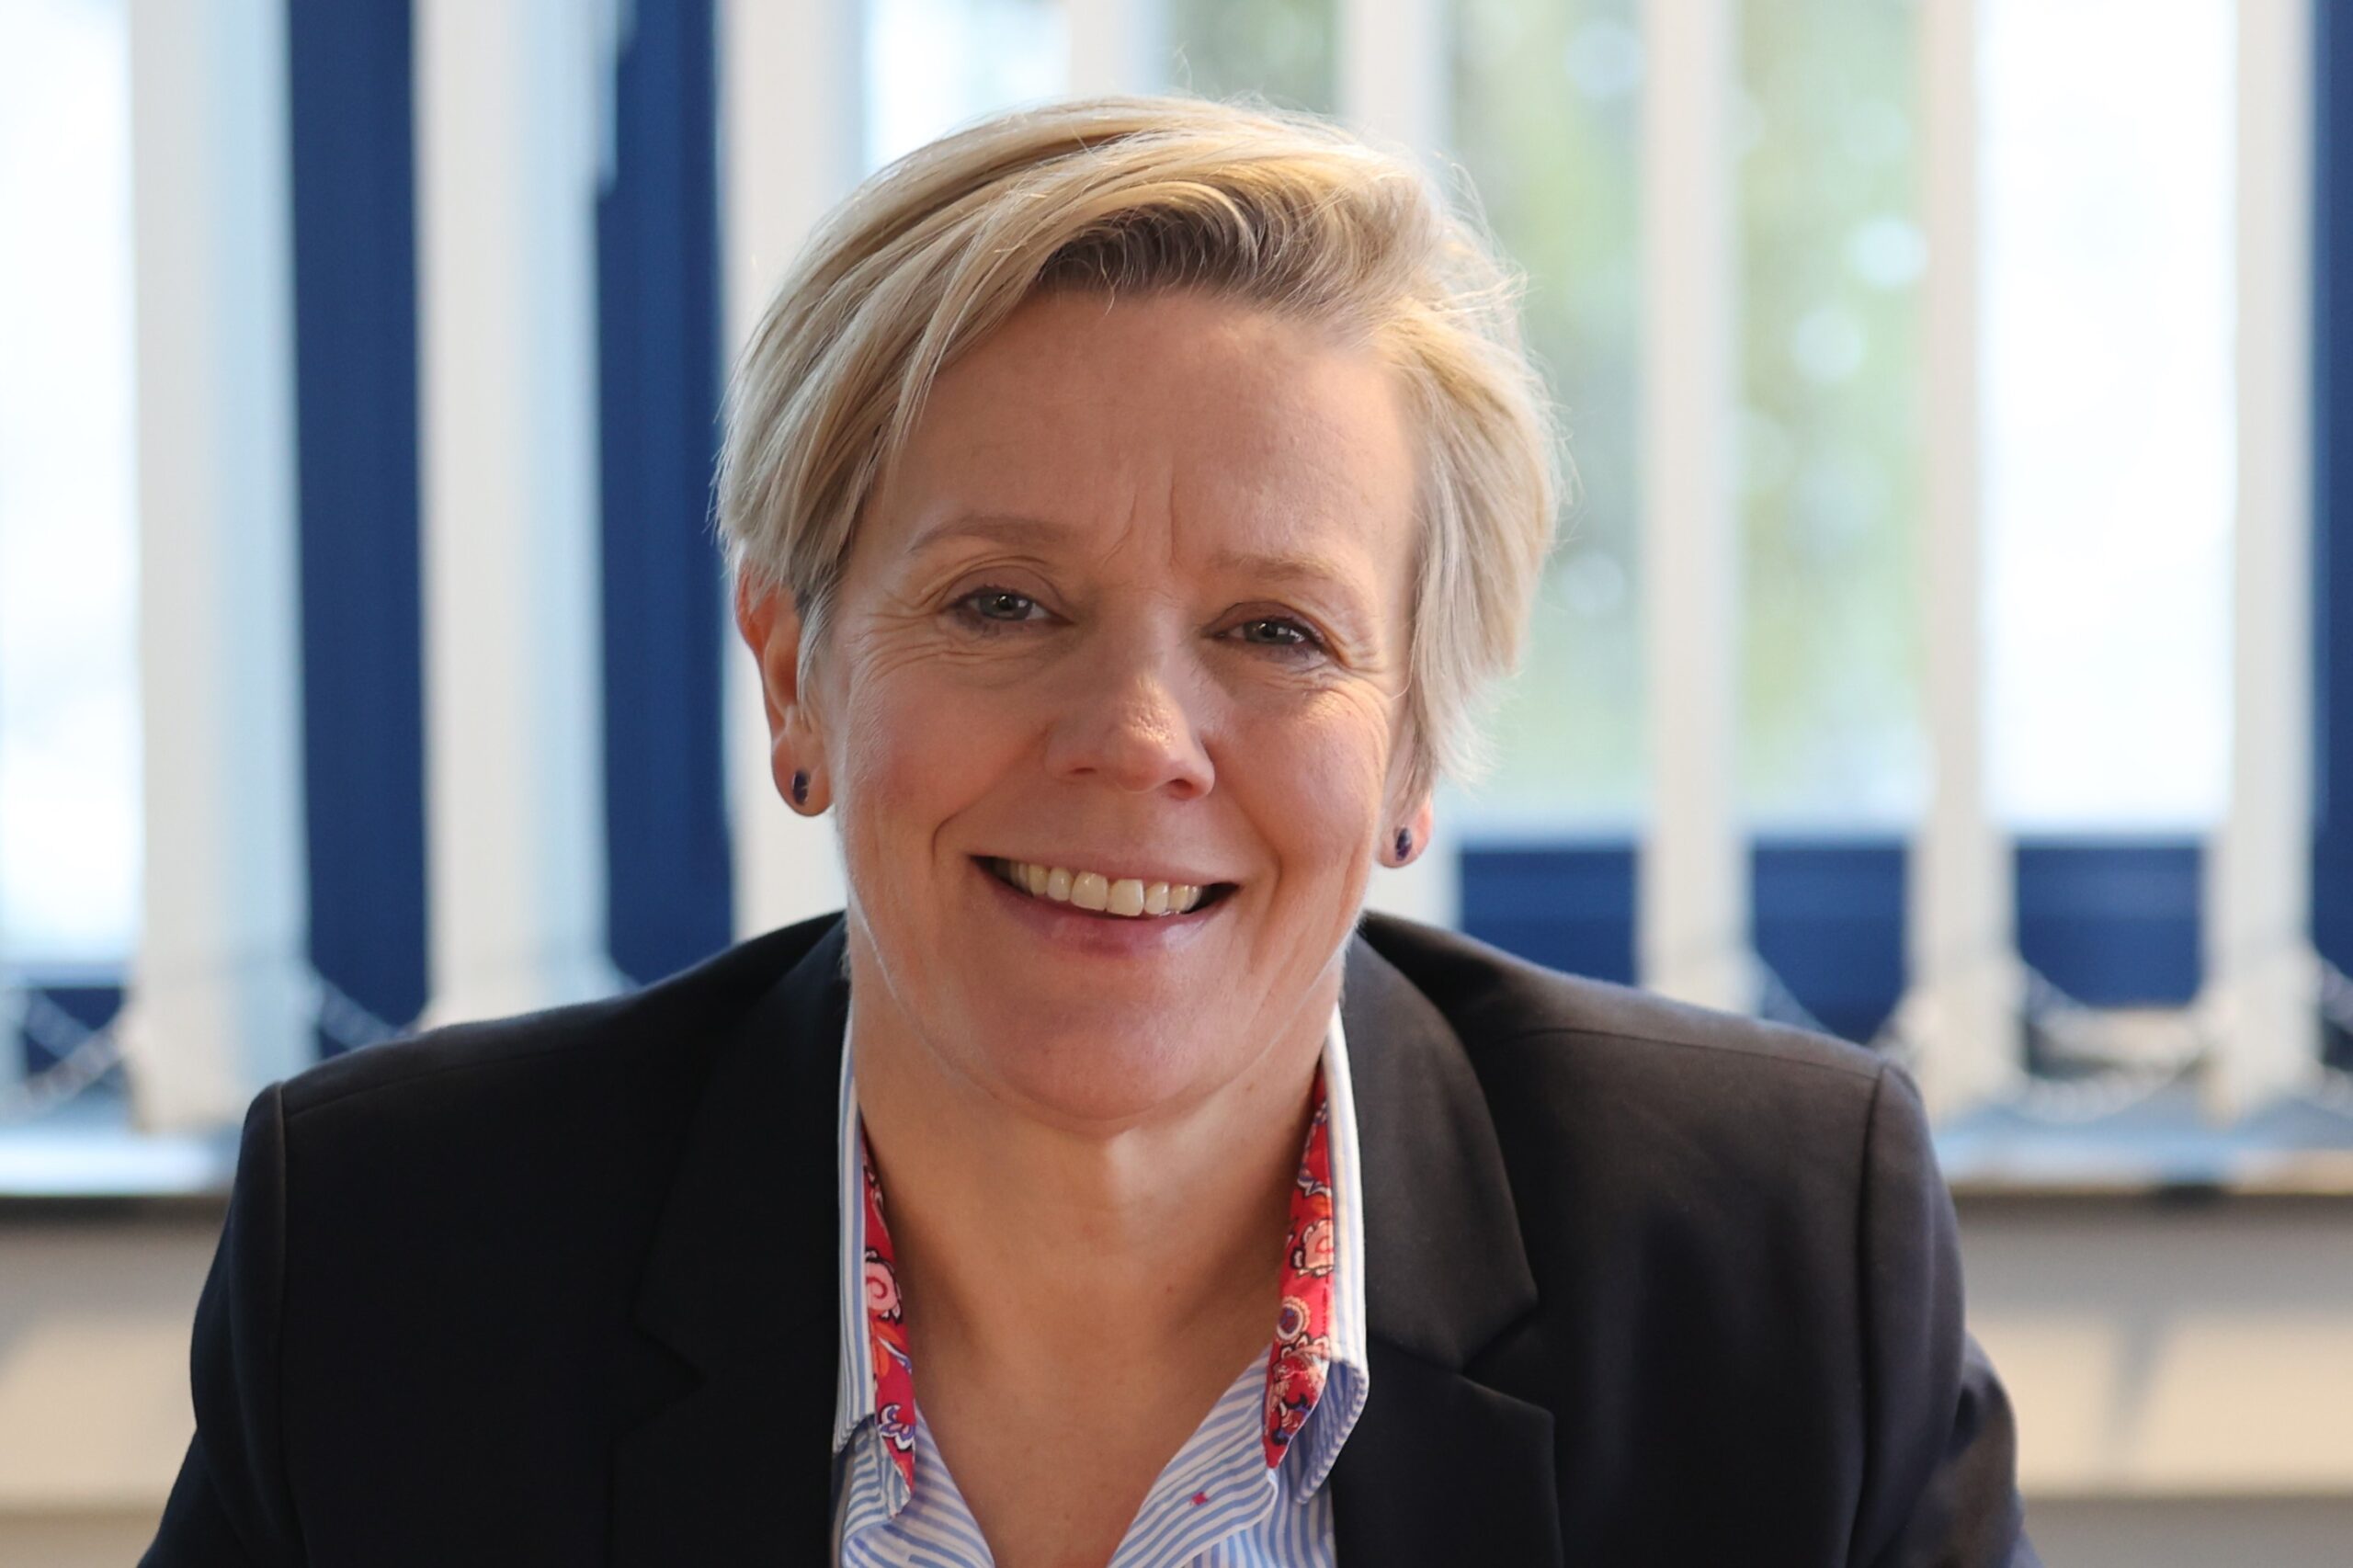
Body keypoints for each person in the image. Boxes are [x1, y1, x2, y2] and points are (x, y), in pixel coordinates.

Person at [143, 94, 2035, 1567]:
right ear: (793, 675)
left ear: (1411, 750)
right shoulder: (405, 1260)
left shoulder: (1770, 1264)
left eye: (1275, 632)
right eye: (1000, 603)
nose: (1136, 741)